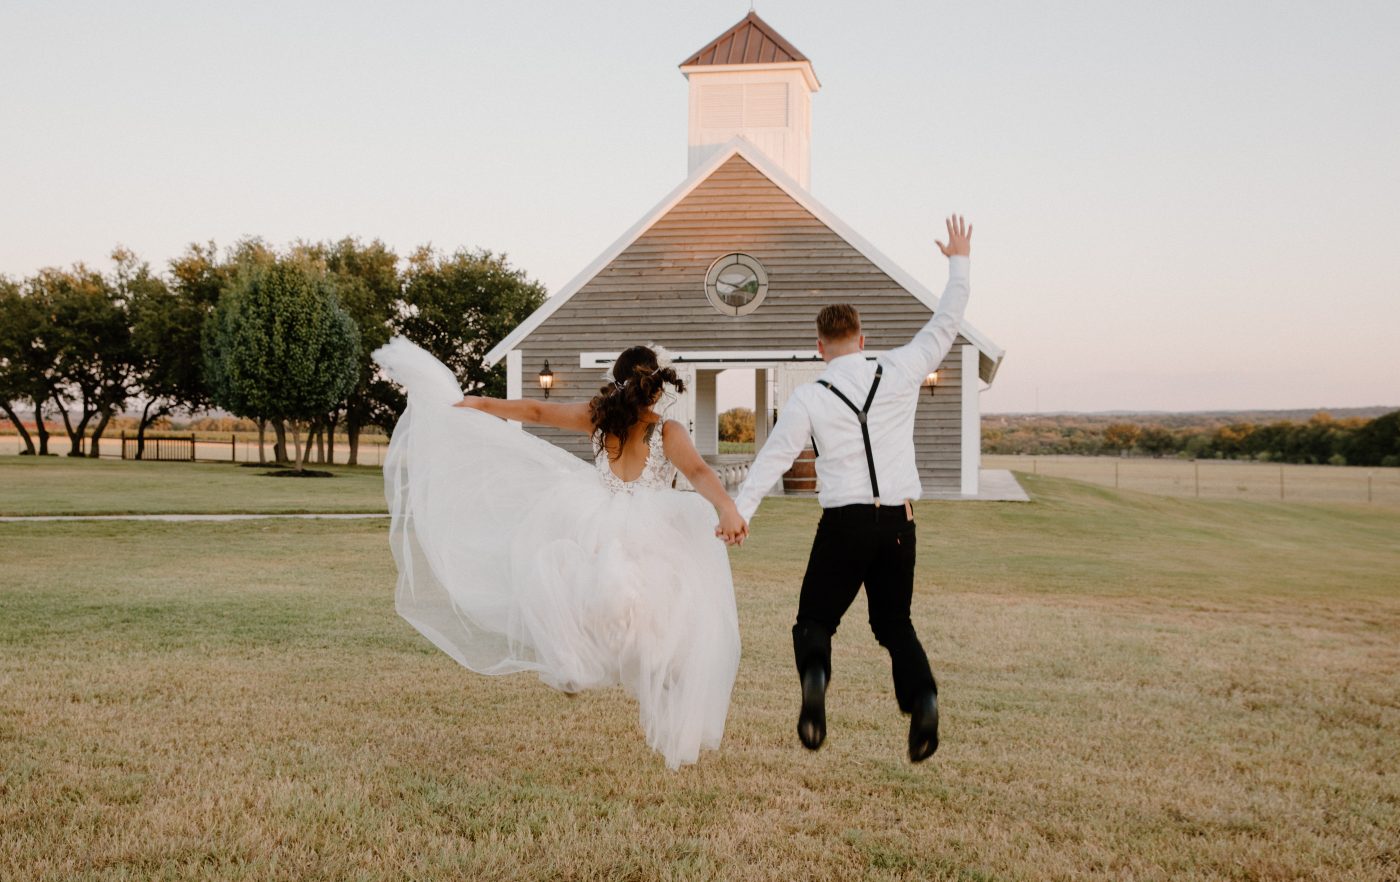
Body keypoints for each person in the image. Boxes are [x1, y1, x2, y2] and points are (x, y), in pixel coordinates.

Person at [372, 339, 745, 770]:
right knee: (668, 603)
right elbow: (697, 471)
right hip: (652, 524)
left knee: (588, 586)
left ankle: (580, 660)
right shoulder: (667, 431)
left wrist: (477, 402)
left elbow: (533, 412)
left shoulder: (598, 418)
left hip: (597, 521)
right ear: (659, 388)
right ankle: (659, 672)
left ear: (618, 383)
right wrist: (726, 507)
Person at [729, 215, 973, 763]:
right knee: (894, 625)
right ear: (862, 339)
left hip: (843, 523)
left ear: (821, 347)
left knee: (815, 621)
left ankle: (815, 682)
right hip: (898, 523)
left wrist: (741, 512)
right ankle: (924, 697)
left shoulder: (809, 397)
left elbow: (773, 459)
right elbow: (946, 321)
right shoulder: (902, 367)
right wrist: (958, 261)